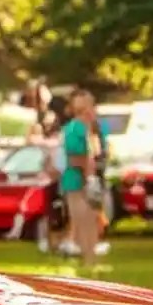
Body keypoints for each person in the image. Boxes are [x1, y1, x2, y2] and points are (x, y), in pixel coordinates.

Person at [60, 89, 103, 267]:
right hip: (76, 181)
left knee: (90, 219)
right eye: (91, 107)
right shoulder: (75, 128)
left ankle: (90, 259)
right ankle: (88, 260)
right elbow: (76, 157)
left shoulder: (88, 130)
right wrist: (88, 178)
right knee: (84, 219)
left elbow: (93, 154)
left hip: (83, 179)